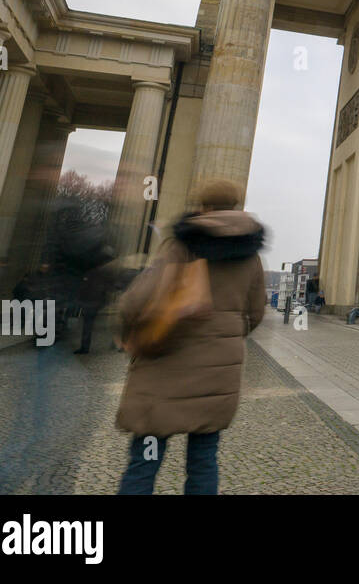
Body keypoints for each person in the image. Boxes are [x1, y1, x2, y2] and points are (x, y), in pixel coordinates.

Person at [114, 178, 267, 495]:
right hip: (217, 374)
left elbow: (137, 298)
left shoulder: (182, 244)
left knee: (146, 457)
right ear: (236, 205)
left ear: (203, 205)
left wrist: (126, 331)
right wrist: (224, 334)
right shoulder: (251, 255)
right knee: (203, 459)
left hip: (166, 363)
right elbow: (255, 313)